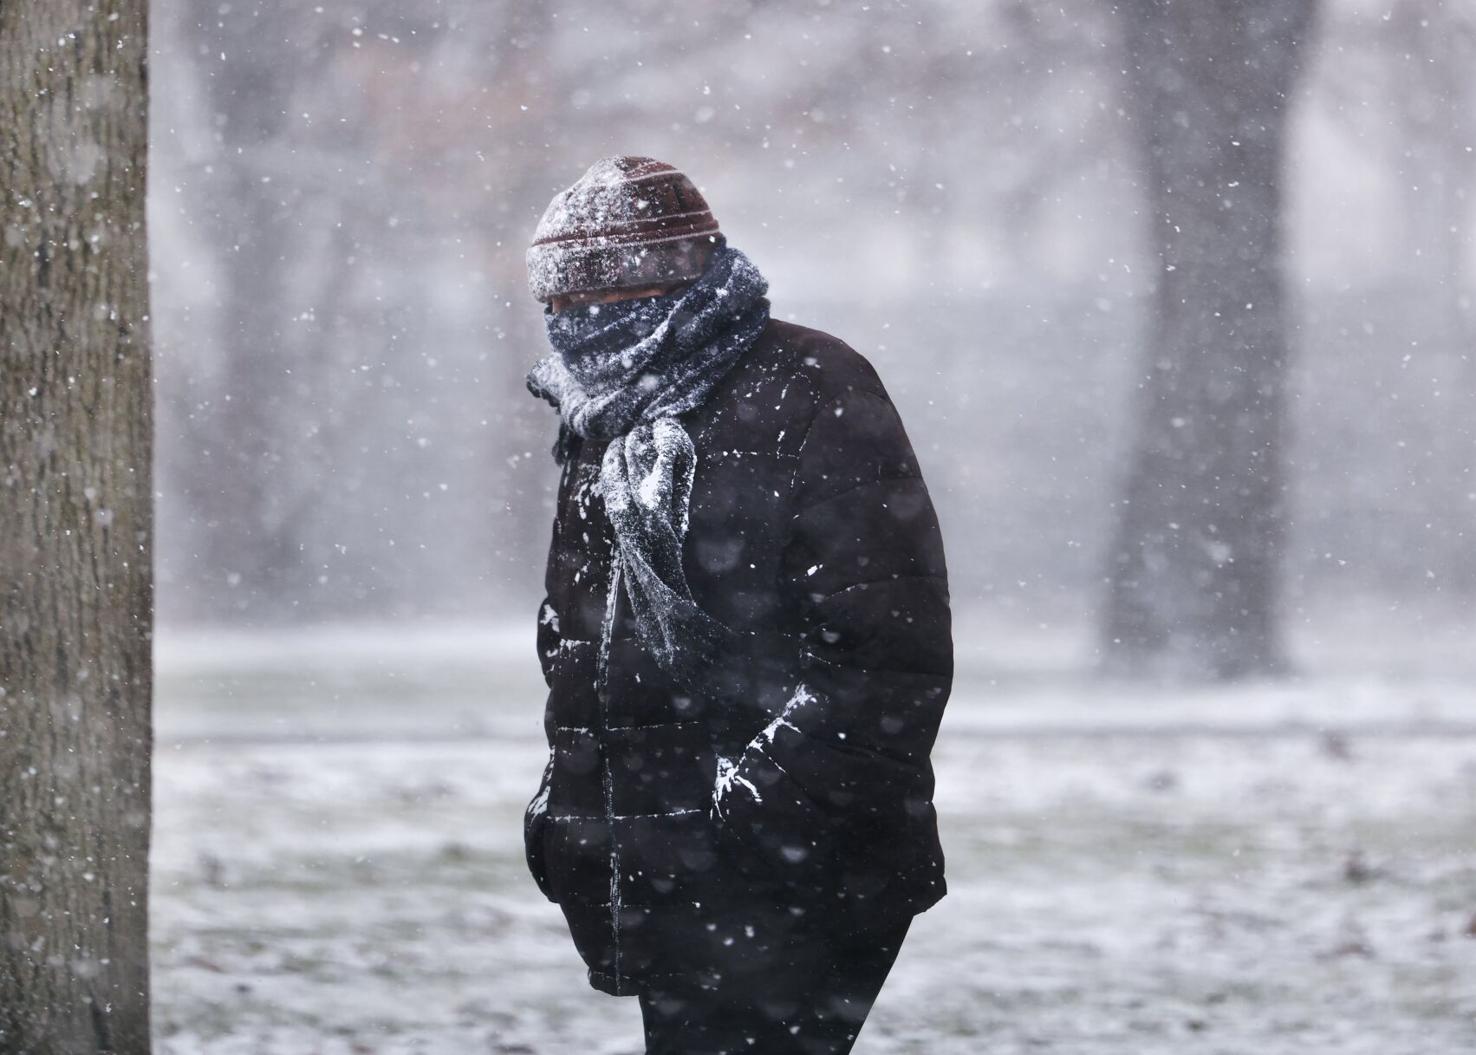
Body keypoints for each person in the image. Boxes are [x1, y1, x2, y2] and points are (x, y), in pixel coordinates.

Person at [522, 155, 952, 1055]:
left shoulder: (811, 389)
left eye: (592, 302)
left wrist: (757, 807)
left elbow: (886, 650)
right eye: (553, 305)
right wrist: (564, 811)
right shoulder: (606, 417)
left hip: (799, 871)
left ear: (672, 284)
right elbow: (576, 638)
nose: (569, 327)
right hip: (661, 867)